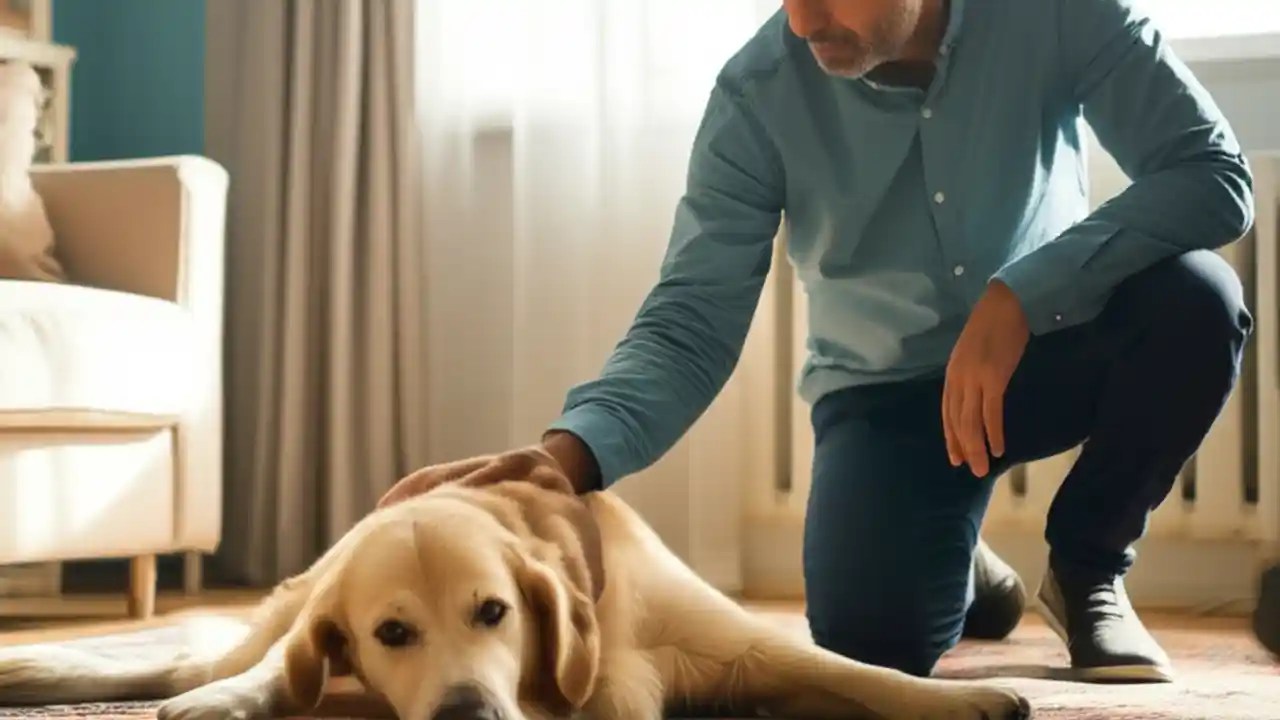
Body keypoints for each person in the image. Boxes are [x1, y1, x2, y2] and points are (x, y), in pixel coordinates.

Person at [384, 0, 1254, 683]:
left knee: (1198, 301)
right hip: (888, 399)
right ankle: (962, 566)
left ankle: (1088, 567)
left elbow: (1210, 171)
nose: (803, 21)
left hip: (1050, 348)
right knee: (869, 647)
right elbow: (692, 317)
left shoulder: (1057, 12)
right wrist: (565, 458)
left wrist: (1020, 294)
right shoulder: (757, 92)